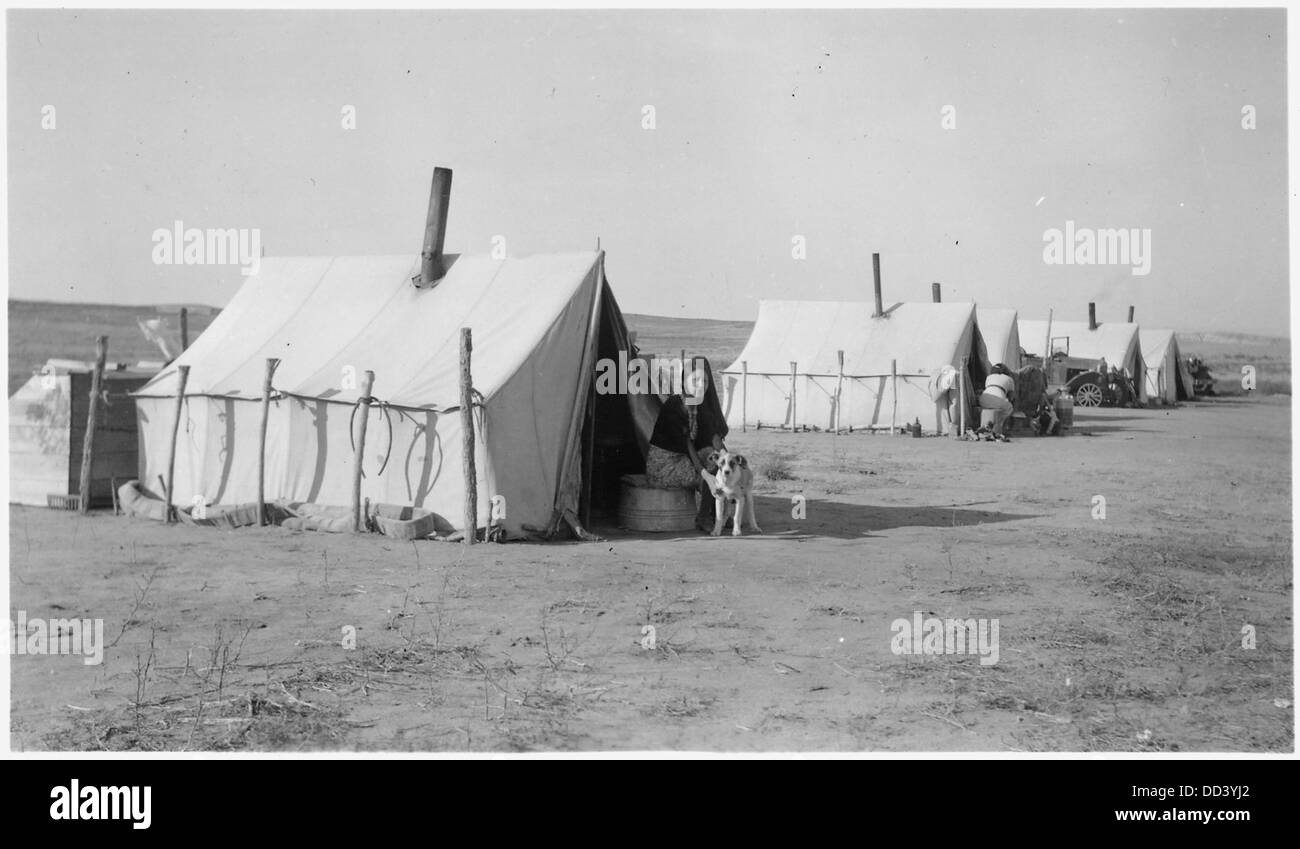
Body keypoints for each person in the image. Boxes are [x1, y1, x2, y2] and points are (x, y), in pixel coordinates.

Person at [644, 357, 728, 531]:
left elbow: (713, 438)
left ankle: (721, 515)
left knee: (718, 460)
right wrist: (706, 475)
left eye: (704, 381)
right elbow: (686, 444)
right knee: (711, 470)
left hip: (686, 458)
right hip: (665, 465)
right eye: (695, 380)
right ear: (684, 381)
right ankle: (704, 518)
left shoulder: (700, 404)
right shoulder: (675, 405)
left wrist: (728, 461)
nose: (700, 385)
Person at [978, 363, 1016, 440]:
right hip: (998, 400)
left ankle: (988, 425)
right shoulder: (1009, 379)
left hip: (983, 399)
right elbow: (1011, 397)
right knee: (1010, 408)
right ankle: (996, 425)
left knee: (990, 408)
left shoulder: (988, 377)